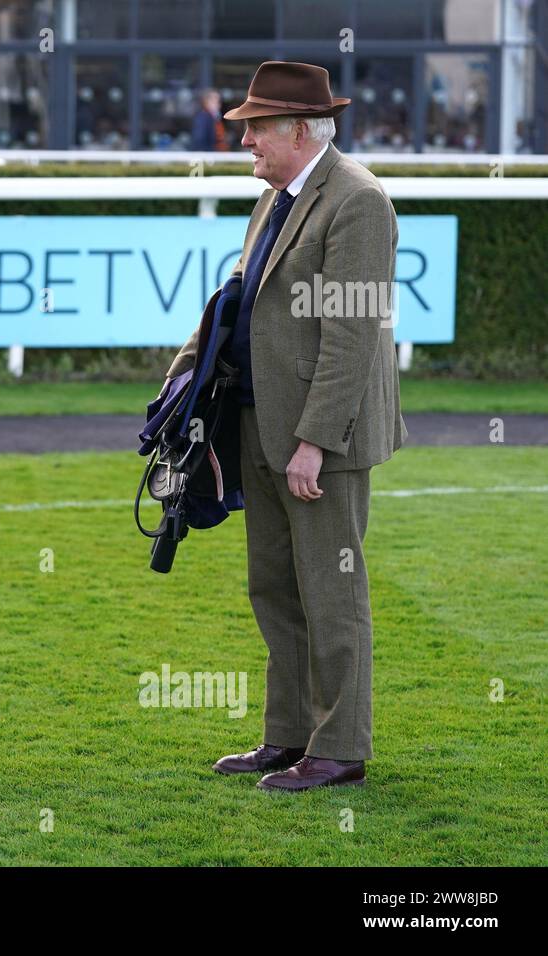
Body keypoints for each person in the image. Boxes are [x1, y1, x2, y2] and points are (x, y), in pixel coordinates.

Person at [166, 61, 406, 791]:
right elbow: (236, 305)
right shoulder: (276, 198)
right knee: (273, 587)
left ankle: (340, 748)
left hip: (316, 442)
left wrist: (314, 441)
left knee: (331, 593)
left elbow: (352, 334)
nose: (246, 143)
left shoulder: (358, 201)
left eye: (256, 130)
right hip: (257, 427)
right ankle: (288, 736)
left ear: (300, 131)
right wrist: (181, 379)